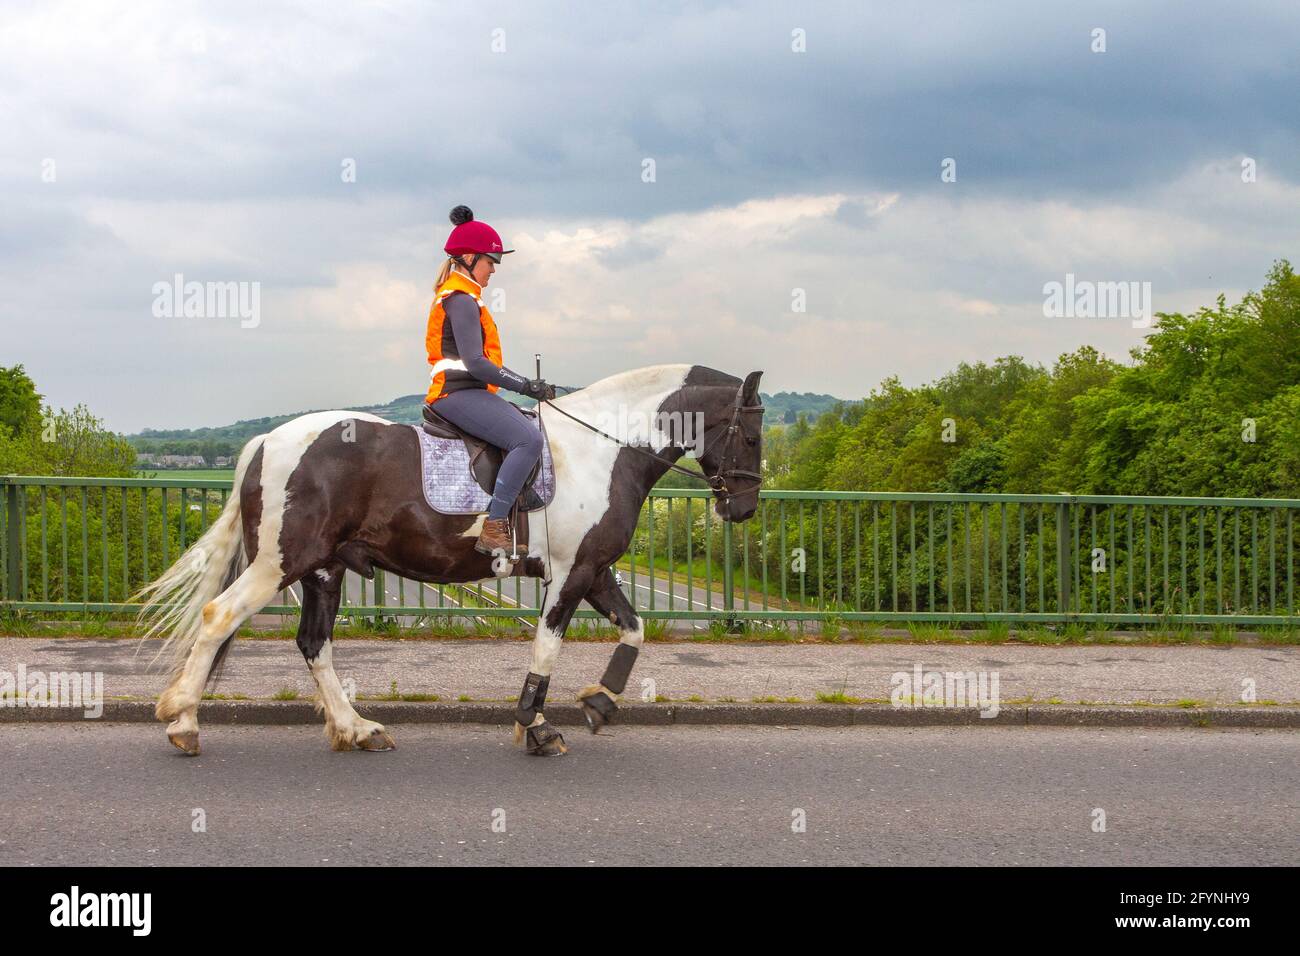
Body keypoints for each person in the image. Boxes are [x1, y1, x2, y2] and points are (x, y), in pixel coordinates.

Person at [424, 205, 555, 557]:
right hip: (456, 393)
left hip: (469, 392)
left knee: (521, 425)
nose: (494, 269)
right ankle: (495, 524)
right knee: (528, 439)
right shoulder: (462, 300)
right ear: (468, 258)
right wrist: (526, 385)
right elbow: (477, 364)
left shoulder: (468, 298)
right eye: (489, 261)